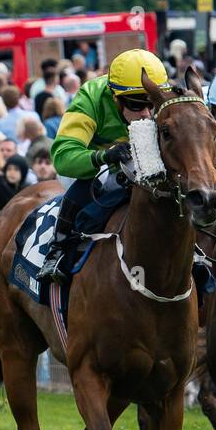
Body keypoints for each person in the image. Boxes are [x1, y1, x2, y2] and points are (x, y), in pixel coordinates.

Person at [35, 49, 168, 283]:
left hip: (144, 161)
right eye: (137, 106)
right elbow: (63, 157)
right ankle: (58, 249)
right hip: (92, 167)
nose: (147, 114)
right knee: (96, 183)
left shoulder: (164, 97)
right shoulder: (90, 98)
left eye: (151, 105)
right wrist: (103, 157)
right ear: (115, 97)